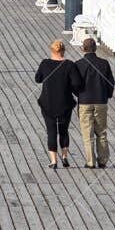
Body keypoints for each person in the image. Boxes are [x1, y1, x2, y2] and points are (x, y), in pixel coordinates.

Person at [35, 40, 82, 169]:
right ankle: (65, 156)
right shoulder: (69, 65)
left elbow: (37, 79)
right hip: (65, 103)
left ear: (52, 50)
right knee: (63, 131)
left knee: (51, 131)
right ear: (63, 51)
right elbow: (77, 83)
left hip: (48, 103)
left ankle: (54, 161)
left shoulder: (45, 63)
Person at [75, 38, 115, 169]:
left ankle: (90, 162)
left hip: (85, 102)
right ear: (95, 48)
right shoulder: (104, 63)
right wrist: (107, 95)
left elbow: (75, 84)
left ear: (83, 49)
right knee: (101, 132)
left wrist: (79, 95)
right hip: (101, 102)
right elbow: (111, 82)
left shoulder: (79, 64)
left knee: (87, 134)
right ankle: (103, 160)